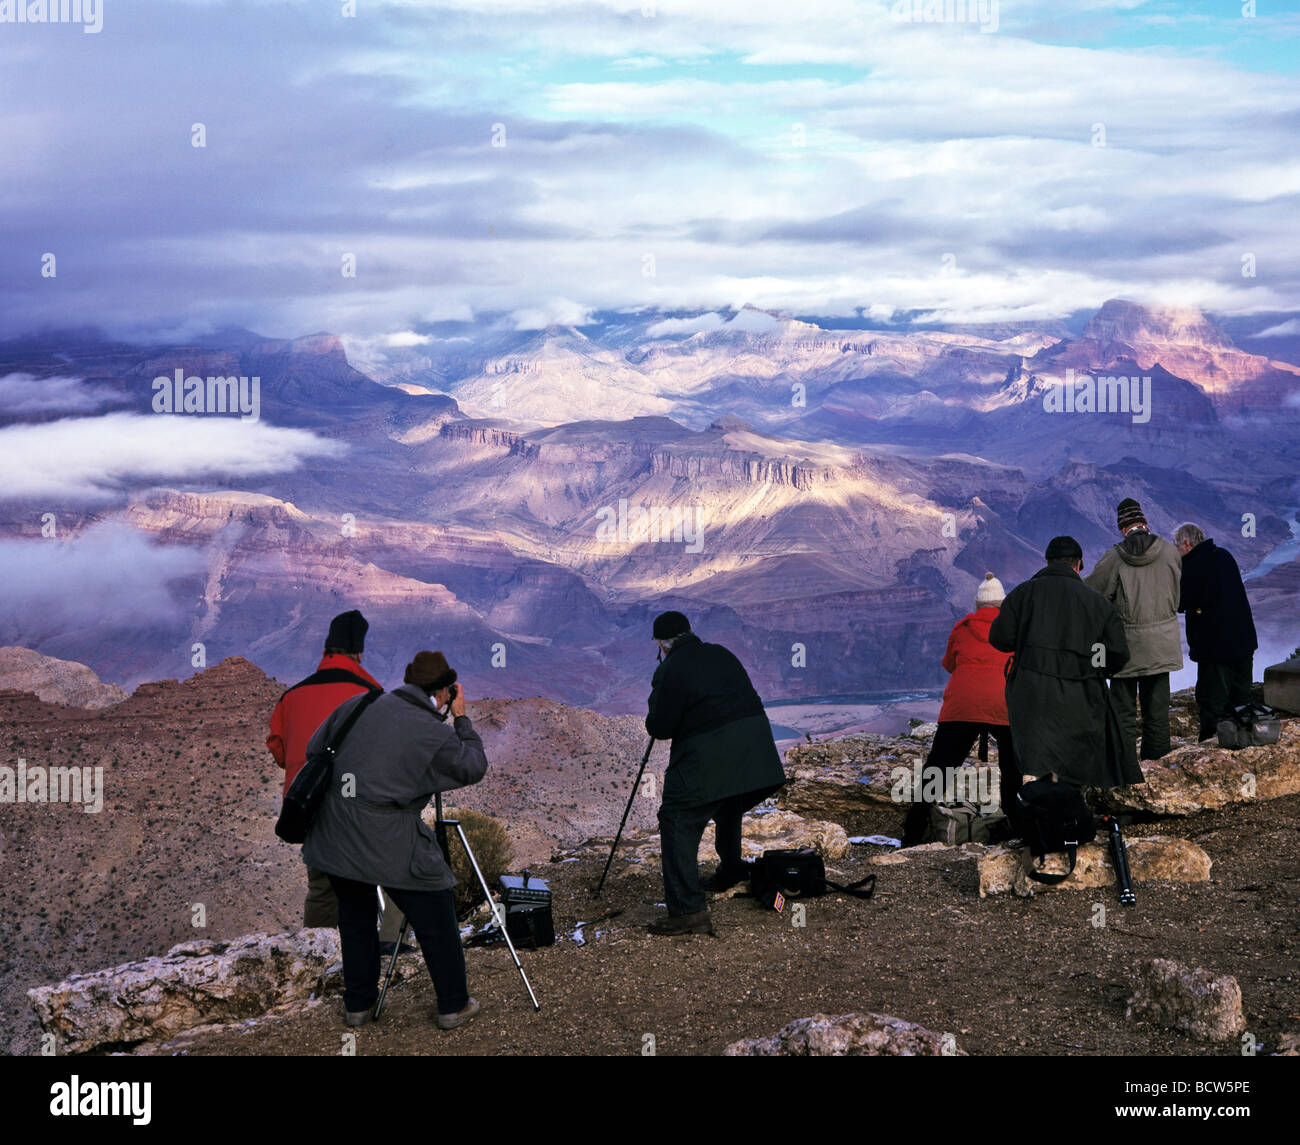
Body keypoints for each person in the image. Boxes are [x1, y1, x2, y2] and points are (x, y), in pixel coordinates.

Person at [303, 650, 488, 1029]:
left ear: (407, 680)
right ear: (443, 692)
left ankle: (358, 1006)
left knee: (355, 917)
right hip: (386, 835)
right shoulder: (432, 730)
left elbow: (313, 750)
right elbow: (472, 767)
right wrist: (462, 718)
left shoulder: (360, 702)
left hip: (334, 830)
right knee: (436, 911)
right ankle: (453, 1004)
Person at [644, 611, 786, 936]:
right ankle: (731, 870)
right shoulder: (721, 652)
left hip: (712, 757)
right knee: (728, 801)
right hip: (759, 760)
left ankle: (687, 911)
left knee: (676, 818)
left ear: (661, 645)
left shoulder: (671, 668)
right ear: (689, 633)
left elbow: (660, 727)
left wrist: (658, 688)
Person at [268, 609, 403, 943]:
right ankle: (386, 949)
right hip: (359, 808)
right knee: (391, 871)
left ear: (326, 650)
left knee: (322, 890)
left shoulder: (292, 696)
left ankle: (316, 958)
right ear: (359, 652)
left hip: (310, 811)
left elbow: (279, 751)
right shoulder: (373, 695)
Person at [989, 536, 1139, 790]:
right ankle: (1070, 813)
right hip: (1081, 693)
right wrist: (1097, 665)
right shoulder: (1096, 602)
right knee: (1073, 763)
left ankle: (1036, 814)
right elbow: (1115, 652)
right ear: (1078, 565)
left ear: (1047, 562)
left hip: (1031, 692)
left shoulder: (1022, 594)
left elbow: (1001, 639)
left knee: (1038, 762)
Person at [901, 572, 1019, 847]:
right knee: (1012, 769)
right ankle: (1017, 829)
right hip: (1004, 704)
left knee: (938, 769)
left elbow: (949, 664)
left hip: (962, 706)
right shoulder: (1014, 629)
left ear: (978, 605)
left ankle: (912, 834)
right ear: (1003, 606)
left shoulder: (963, 628)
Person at [1085, 498, 1183, 769]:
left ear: (1122, 527)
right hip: (1162, 644)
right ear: (1145, 522)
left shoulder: (1114, 557)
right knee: (1157, 713)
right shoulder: (1169, 552)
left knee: (1123, 715)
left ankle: (1125, 770)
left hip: (1125, 648)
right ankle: (1158, 770)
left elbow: (1093, 593)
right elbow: (1177, 594)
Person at [1175, 523, 1259, 740]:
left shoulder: (1193, 565)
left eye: (1178, 547)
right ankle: (1244, 742)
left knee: (1212, 700)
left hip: (1215, 648)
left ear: (1187, 544)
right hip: (1243, 641)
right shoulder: (1224, 555)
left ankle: (1212, 744)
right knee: (1241, 698)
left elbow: (1180, 602)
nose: (1178, 552)